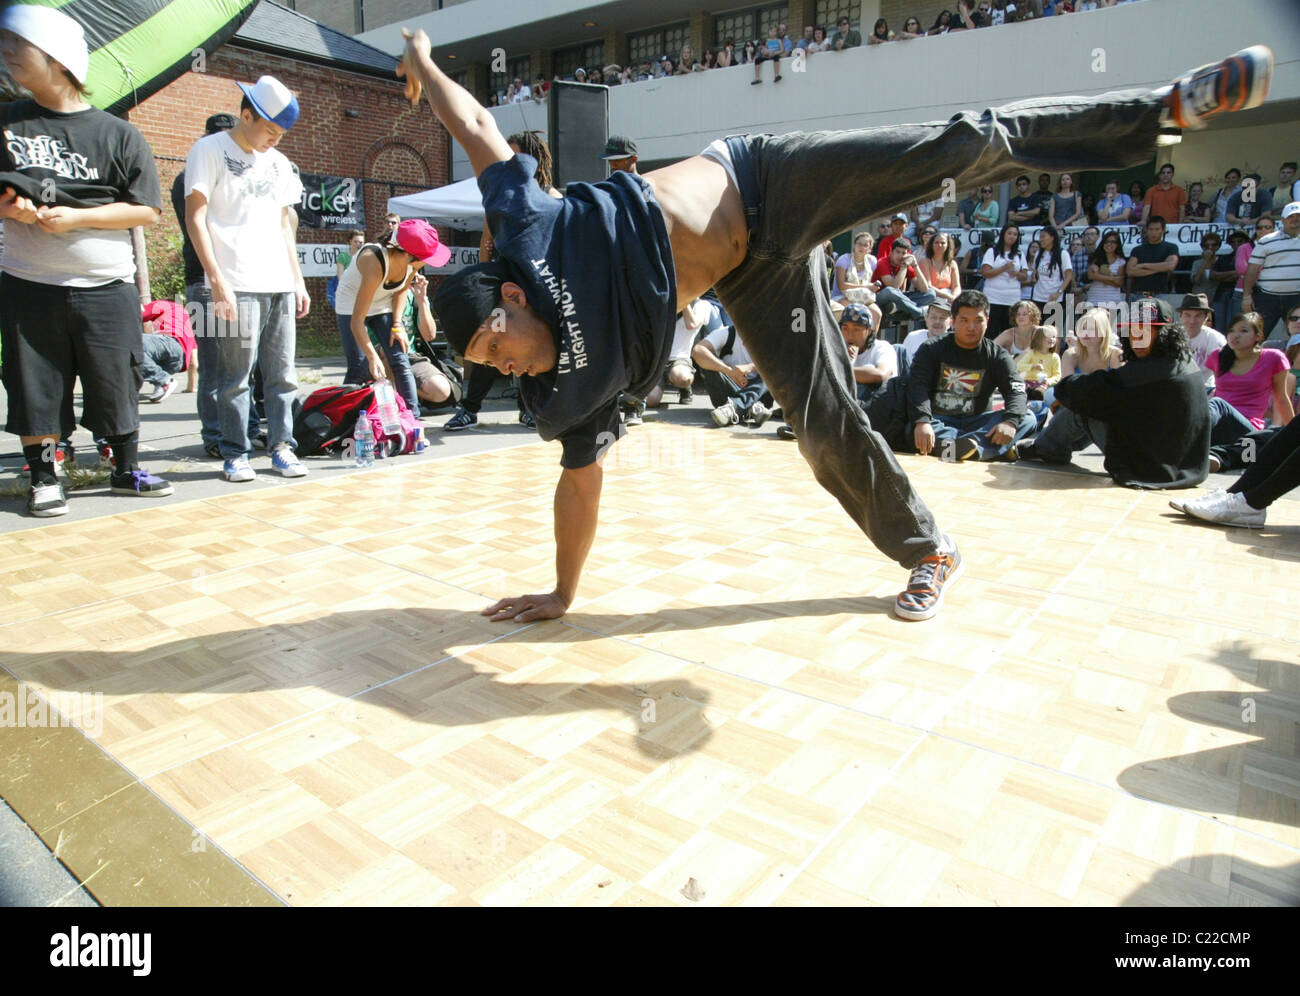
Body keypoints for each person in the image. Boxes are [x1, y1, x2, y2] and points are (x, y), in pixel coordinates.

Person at [407, 27, 1272, 623]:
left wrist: (419, 55)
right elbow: (579, 482)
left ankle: (1158, 109)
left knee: (953, 150)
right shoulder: (570, 393)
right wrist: (562, 594)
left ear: (509, 299)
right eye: (492, 366)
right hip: (758, 279)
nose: (505, 367)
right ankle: (930, 551)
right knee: (822, 430)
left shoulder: (530, 229)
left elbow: (474, 122)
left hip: (765, 185)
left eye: (495, 347)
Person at [0, 3, 172, 515]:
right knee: (35, 385)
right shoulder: (6, 121)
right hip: (28, 281)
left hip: (107, 284)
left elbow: (147, 211)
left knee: (117, 379)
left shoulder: (118, 134)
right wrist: (13, 207)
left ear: (57, 59)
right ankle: (44, 476)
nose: (6, 54)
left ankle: (125, 468)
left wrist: (74, 220)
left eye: (16, 44)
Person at [185, 74, 309, 483]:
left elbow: (284, 225)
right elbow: (195, 217)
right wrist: (216, 280)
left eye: (282, 133)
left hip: (279, 283)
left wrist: (298, 280)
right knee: (236, 376)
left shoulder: (278, 163)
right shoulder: (209, 150)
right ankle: (235, 453)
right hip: (236, 280)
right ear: (246, 114)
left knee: (283, 373)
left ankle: (282, 447)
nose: (275, 139)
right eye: (270, 130)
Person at [1018, 299, 1210, 488]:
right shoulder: (1184, 362)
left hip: (1147, 469)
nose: (1138, 338)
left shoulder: (1149, 370)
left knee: (1085, 401)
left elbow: (1080, 390)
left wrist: (1067, 394)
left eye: (1146, 331)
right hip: (1186, 467)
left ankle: (1045, 448)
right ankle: (1048, 445)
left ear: (1165, 334)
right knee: (1091, 398)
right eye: (1133, 331)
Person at [447, 131, 563, 431]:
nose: (506, 161)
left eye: (513, 155)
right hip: (503, 282)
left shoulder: (551, 197)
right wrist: (481, 284)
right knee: (489, 344)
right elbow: (486, 243)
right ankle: (469, 409)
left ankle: (529, 409)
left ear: (532, 160)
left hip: (537, 284)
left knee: (524, 347)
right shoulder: (499, 200)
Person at [169, 111, 258, 460]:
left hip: (243, 279)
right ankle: (214, 433)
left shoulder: (245, 174)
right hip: (203, 281)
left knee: (242, 363)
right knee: (213, 363)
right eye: (219, 137)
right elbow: (203, 223)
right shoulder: (190, 177)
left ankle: (246, 429)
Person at [335, 219, 449, 416]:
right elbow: (357, 321)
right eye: (426, 257)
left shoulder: (411, 264)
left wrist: (397, 325)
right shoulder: (373, 260)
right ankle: (341, 419)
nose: (428, 262)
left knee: (400, 360)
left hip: (382, 305)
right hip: (351, 306)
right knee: (359, 368)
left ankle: (412, 419)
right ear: (408, 255)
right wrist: (372, 357)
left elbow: (401, 291)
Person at [907, 289, 1035, 462]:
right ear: (953, 322)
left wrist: (1010, 422)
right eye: (964, 320)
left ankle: (968, 448)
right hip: (938, 420)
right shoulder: (931, 348)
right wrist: (922, 421)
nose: (971, 327)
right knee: (912, 426)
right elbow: (917, 387)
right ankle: (986, 449)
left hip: (978, 421)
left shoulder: (997, 354)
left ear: (987, 322)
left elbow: (1016, 391)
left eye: (978, 321)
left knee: (1028, 418)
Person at [1206, 312, 1293, 441]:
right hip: (1218, 425)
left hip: (1248, 427)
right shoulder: (1217, 357)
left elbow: (1281, 399)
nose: (1235, 335)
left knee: (1219, 404)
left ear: (1258, 336)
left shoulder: (1273, 358)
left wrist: (1295, 435)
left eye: (1243, 331)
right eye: (1231, 331)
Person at [692, 317, 772, 427]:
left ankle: (735, 407)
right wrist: (729, 371)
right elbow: (698, 351)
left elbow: (784, 360)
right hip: (728, 391)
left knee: (775, 369)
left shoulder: (770, 336)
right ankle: (751, 408)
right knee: (707, 363)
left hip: (760, 392)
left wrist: (751, 367)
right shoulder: (726, 333)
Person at [1242, 200, 1300, 339]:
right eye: (1291, 217)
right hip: (1268, 298)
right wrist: (1246, 297)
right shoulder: (1266, 240)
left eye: (1298, 216)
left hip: (1297, 298)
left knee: (1299, 340)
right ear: (1283, 220)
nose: (1295, 220)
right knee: (1257, 337)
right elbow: (1252, 270)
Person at [140, 298, 198, 402]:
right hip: (177, 362)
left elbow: (137, 314)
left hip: (170, 342)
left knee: (132, 342)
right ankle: (161, 383)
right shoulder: (187, 327)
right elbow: (193, 362)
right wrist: (191, 388)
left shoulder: (164, 304)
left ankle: (163, 380)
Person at [838, 302, 897, 403]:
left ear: (868, 331)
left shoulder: (881, 347)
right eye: (845, 328)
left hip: (881, 403)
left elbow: (881, 374)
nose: (850, 335)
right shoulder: (838, 349)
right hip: (849, 405)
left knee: (870, 369)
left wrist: (843, 371)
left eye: (856, 329)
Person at [872, 237, 936, 331]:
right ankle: (917, 312)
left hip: (899, 299)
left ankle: (902, 307)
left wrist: (915, 266)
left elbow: (924, 289)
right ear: (891, 252)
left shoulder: (906, 265)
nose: (900, 256)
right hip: (880, 298)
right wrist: (904, 267)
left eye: (904, 253)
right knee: (889, 291)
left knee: (931, 294)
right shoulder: (883, 262)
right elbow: (894, 286)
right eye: (898, 252)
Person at [980, 224, 1030, 337]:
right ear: (1003, 234)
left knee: (1009, 332)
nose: (1012, 236)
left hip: (1012, 299)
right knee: (990, 332)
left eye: (1015, 234)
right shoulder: (992, 251)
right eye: (1009, 233)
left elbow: (1025, 276)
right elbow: (985, 273)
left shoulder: (1019, 253)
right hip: (993, 298)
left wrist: (1016, 273)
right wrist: (1004, 268)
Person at [1061, 307, 1123, 377]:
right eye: (1083, 328)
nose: (1085, 333)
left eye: (1091, 329)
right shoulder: (1070, 355)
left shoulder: (1116, 355)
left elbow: (1119, 385)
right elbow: (1067, 386)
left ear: (1103, 332)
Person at [1126, 216, 1178, 298]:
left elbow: (1170, 266)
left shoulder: (1171, 247)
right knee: (1135, 311)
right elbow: (1130, 271)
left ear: (1163, 230)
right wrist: (1160, 268)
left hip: (1159, 295)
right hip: (1138, 295)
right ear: (1146, 230)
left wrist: (1143, 265)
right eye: (1151, 229)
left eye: (1157, 229)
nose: (1153, 232)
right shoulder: (1137, 250)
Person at [1029, 225, 1073, 318]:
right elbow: (1036, 272)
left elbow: (1069, 276)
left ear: (1052, 237)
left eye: (1043, 236)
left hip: (1055, 298)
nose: (1041, 239)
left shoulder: (1063, 254)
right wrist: (1034, 276)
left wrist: (1058, 292)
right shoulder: (1038, 253)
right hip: (1038, 296)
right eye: (1040, 237)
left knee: (1051, 329)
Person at [1017, 325, 1061, 400]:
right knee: (1019, 389)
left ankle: (1038, 396)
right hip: (1029, 381)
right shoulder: (1032, 353)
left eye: (1054, 337)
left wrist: (1048, 381)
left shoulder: (1054, 357)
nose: (1052, 339)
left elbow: (1057, 375)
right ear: (1039, 338)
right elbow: (1019, 365)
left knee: (1041, 391)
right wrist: (1032, 366)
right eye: (1049, 336)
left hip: (1045, 384)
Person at [918, 230, 961, 307]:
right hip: (931, 301)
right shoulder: (924, 262)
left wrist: (954, 297)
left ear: (948, 245)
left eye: (943, 243)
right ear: (931, 245)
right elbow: (928, 286)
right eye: (936, 243)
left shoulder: (953, 264)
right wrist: (947, 296)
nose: (939, 245)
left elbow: (956, 286)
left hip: (949, 302)